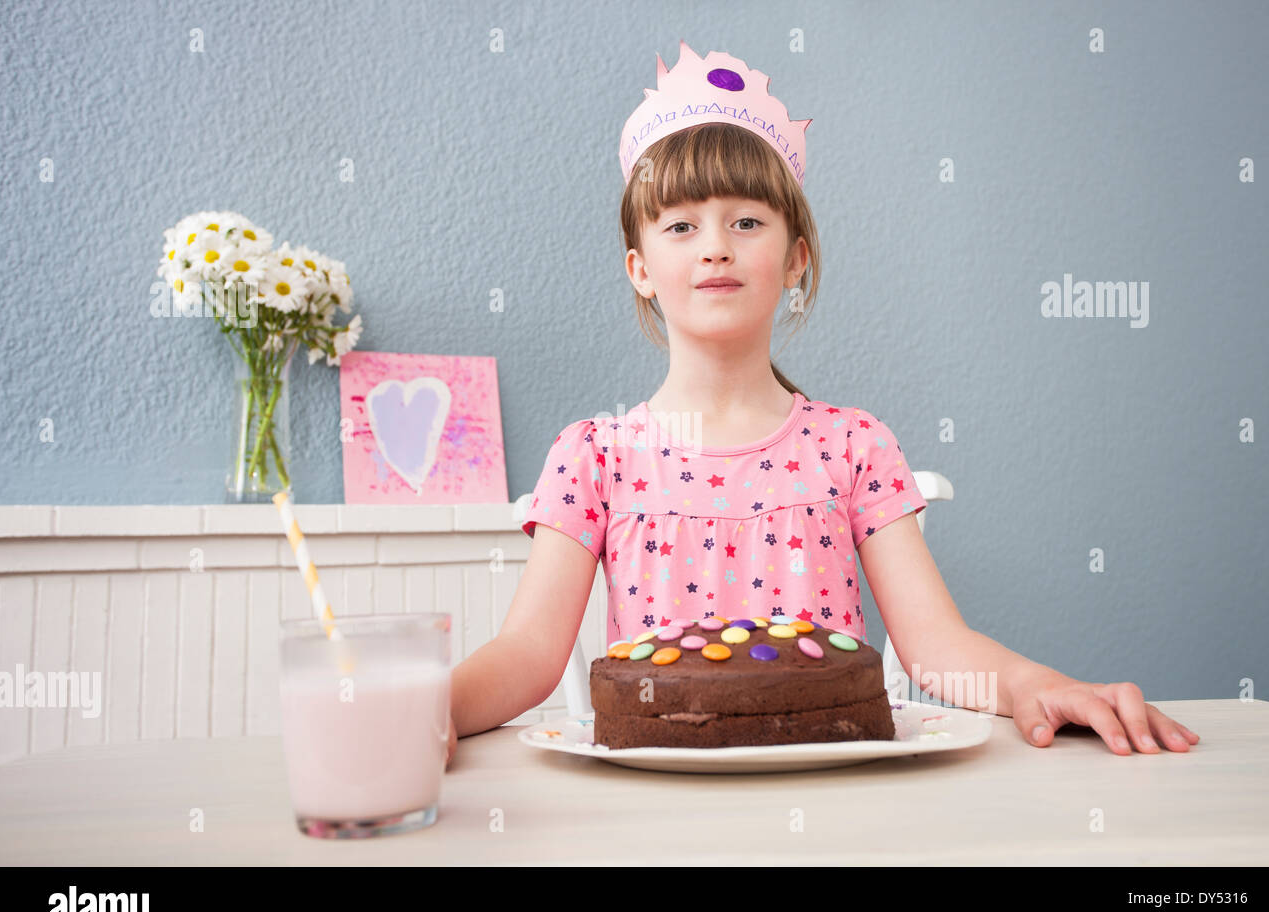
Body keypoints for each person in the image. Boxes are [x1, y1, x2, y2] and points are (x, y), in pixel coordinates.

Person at [442, 41, 1198, 766]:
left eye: (747, 221)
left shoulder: (854, 446)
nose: (715, 247)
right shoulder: (595, 457)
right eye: (681, 226)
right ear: (640, 269)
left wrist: (1042, 683)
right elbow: (528, 657)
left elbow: (936, 646)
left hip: (838, 797)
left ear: (795, 257)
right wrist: (432, 707)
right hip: (657, 804)